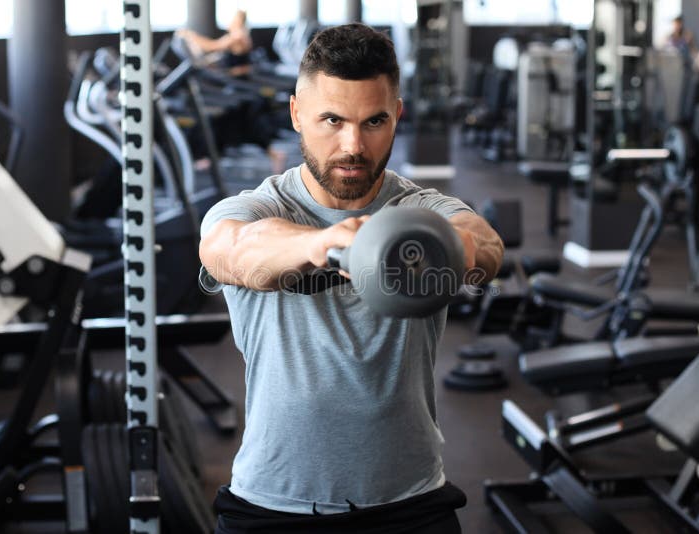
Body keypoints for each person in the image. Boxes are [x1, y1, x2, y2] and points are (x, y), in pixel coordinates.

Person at [198, 23, 504, 533]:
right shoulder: (255, 208)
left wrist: (452, 248)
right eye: (332, 120)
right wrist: (325, 242)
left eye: (374, 121)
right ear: (297, 113)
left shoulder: (419, 209)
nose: (353, 145)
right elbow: (229, 250)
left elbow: (484, 240)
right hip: (274, 504)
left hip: (411, 501)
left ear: (397, 115)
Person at [177, 10, 287, 173]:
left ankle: (276, 156)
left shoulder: (237, 36)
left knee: (250, 130)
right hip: (237, 91)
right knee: (237, 128)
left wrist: (189, 35)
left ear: (238, 21)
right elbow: (219, 56)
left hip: (242, 93)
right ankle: (211, 157)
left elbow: (211, 45)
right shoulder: (238, 36)